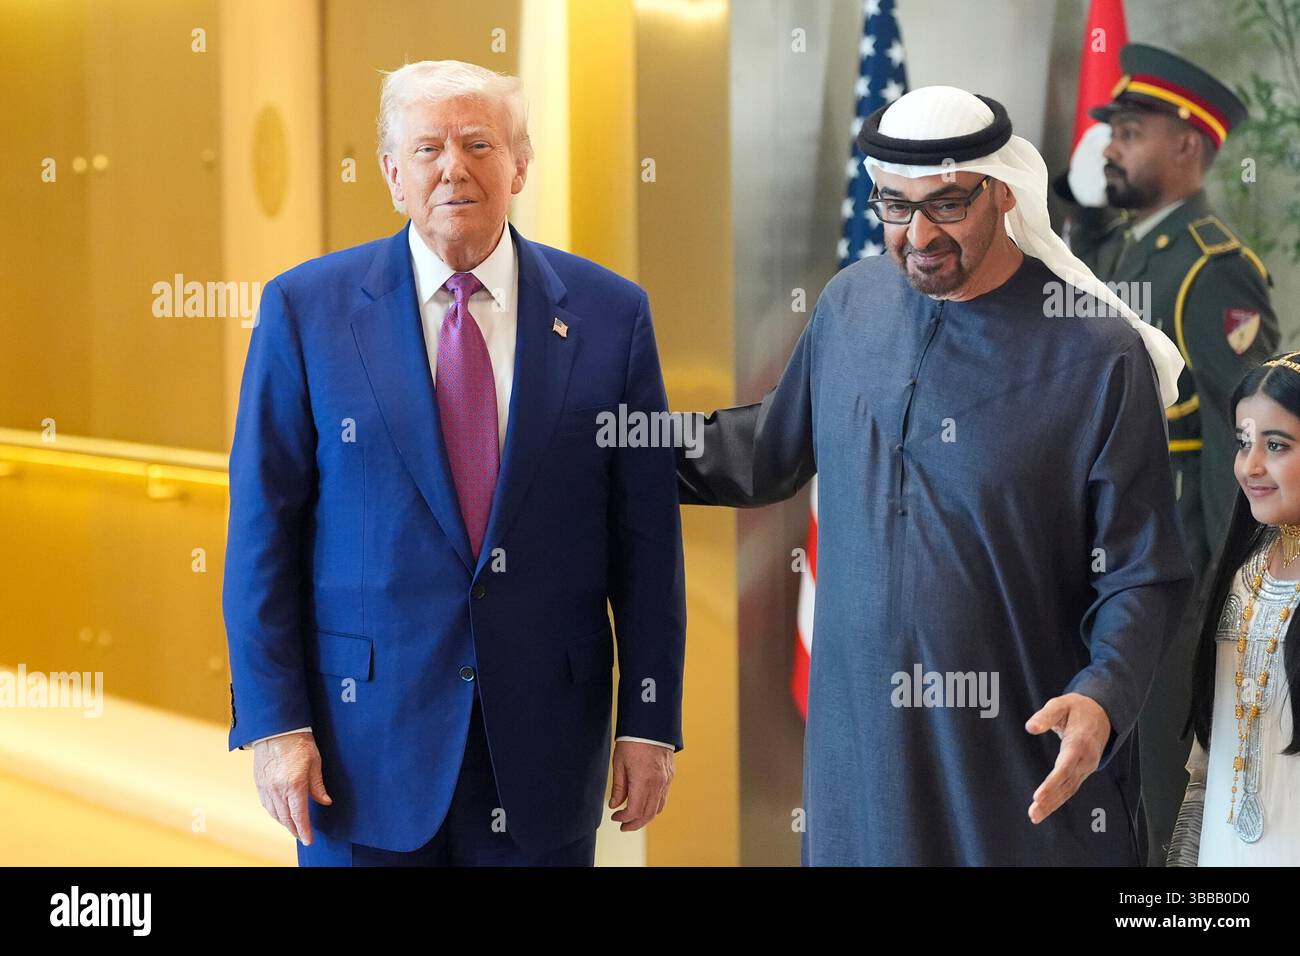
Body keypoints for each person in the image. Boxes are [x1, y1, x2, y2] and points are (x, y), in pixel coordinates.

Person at [677, 86, 1194, 865]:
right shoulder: (850, 306)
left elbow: (1144, 571)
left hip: (1019, 760)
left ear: (1003, 192)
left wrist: (1102, 695)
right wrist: (603, 445)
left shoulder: (1093, 352)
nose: (918, 234)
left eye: (947, 205)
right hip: (865, 763)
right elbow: (766, 450)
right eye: (894, 205)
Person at [223, 60, 685, 866]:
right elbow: (264, 530)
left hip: (544, 747)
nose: (454, 167)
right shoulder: (305, 310)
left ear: (520, 165)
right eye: (428, 146)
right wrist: (275, 722)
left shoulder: (613, 316)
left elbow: (645, 539)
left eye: (479, 143)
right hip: (358, 752)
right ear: (392, 172)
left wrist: (648, 719)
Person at [1063, 43, 1278, 864]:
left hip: (1177, 574)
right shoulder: (1120, 253)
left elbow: (1249, 446)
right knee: (1104, 785)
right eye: (1114, 128)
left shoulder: (1208, 270)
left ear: (1188, 145)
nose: (1111, 146)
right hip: (1107, 562)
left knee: (1153, 791)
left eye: (1131, 129)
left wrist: (1239, 591)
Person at [1168, 353, 1300, 866]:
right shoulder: (1243, 570)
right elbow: (1206, 760)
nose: (1250, 467)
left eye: (1276, 445)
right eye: (1244, 444)